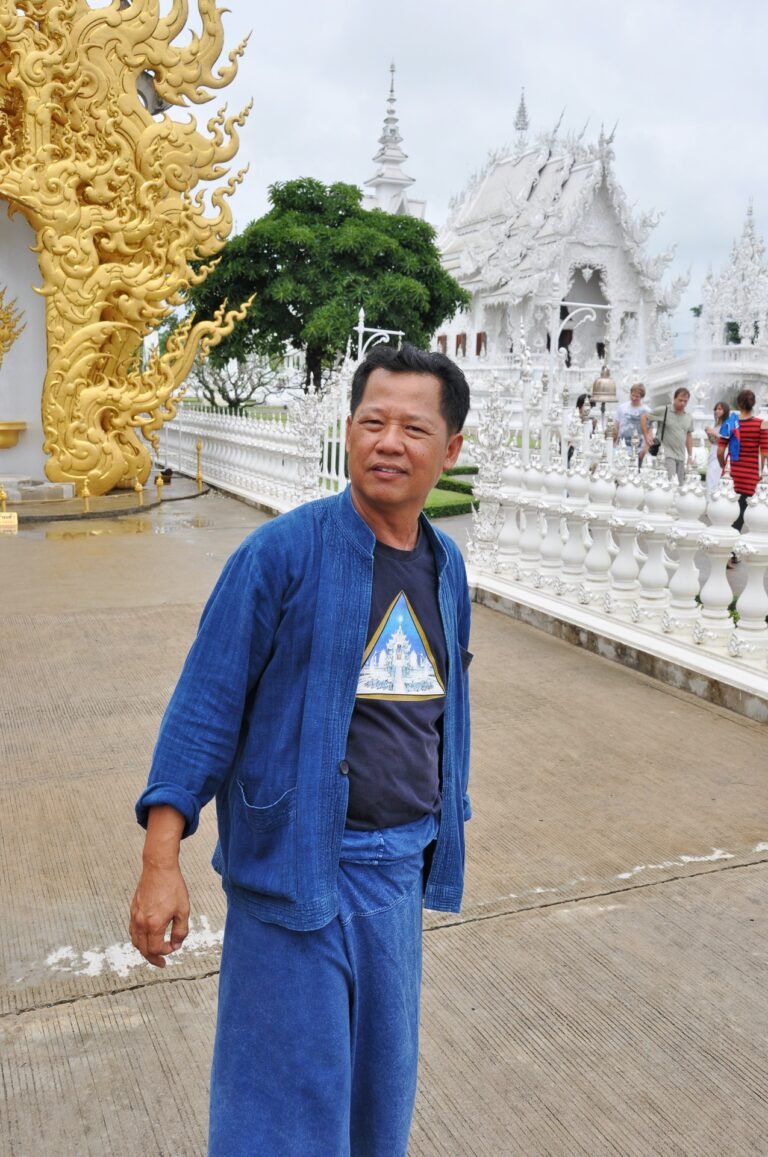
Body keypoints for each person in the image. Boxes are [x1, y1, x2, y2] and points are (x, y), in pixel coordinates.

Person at [129, 344, 473, 1156]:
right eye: (371, 421)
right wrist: (160, 859)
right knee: (279, 1108)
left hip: (396, 873)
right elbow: (206, 706)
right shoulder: (280, 555)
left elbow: (438, 716)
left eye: (413, 427)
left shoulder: (446, 565)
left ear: (451, 449)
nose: (389, 441)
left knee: (373, 1102)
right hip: (294, 871)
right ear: (348, 432)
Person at [717, 388, 768, 565]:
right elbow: (765, 453)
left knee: (725, 513)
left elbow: (720, 450)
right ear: (753, 404)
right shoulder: (762, 424)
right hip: (750, 476)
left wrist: (724, 467)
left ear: (738, 404)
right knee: (740, 515)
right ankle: (731, 551)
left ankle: (724, 548)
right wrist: (762, 474)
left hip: (731, 475)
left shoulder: (730, 423)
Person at [651, 387, 694, 483]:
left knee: (680, 484)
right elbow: (645, 417)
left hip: (681, 456)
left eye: (685, 401)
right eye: (680, 400)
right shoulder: (664, 410)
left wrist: (690, 456)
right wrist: (647, 436)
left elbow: (689, 436)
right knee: (671, 483)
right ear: (674, 399)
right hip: (666, 454)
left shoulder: (688, 417)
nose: (682, 403)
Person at [612, 382, 652, 466]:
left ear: (642, 397)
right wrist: (613, 446)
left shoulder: (647, 411)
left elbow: (649, 433)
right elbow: (616, 428)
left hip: (638, 450)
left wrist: (644, 450)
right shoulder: (621, 408)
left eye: (637, 396)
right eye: (632, 395)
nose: (633, 398)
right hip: (621, 450)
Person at [704, 399, 730, 494]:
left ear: (725, 411)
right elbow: (714, 442)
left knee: (715, 478)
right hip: (713, 452)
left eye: (720, 409)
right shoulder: (716, 424)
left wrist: (714, 433)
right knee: (710, 477)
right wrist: (709, 434)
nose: (717, 411)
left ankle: (714, 501)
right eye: (716, 409)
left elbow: (726, 441)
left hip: (721, 454)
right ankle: (709, 501)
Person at [567, 392, 596, 465]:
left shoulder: (589, 422)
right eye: (586, 406)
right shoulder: (570, 418)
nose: (588, 409)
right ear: (580, 406)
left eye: (590, 407)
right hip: (571, 451)